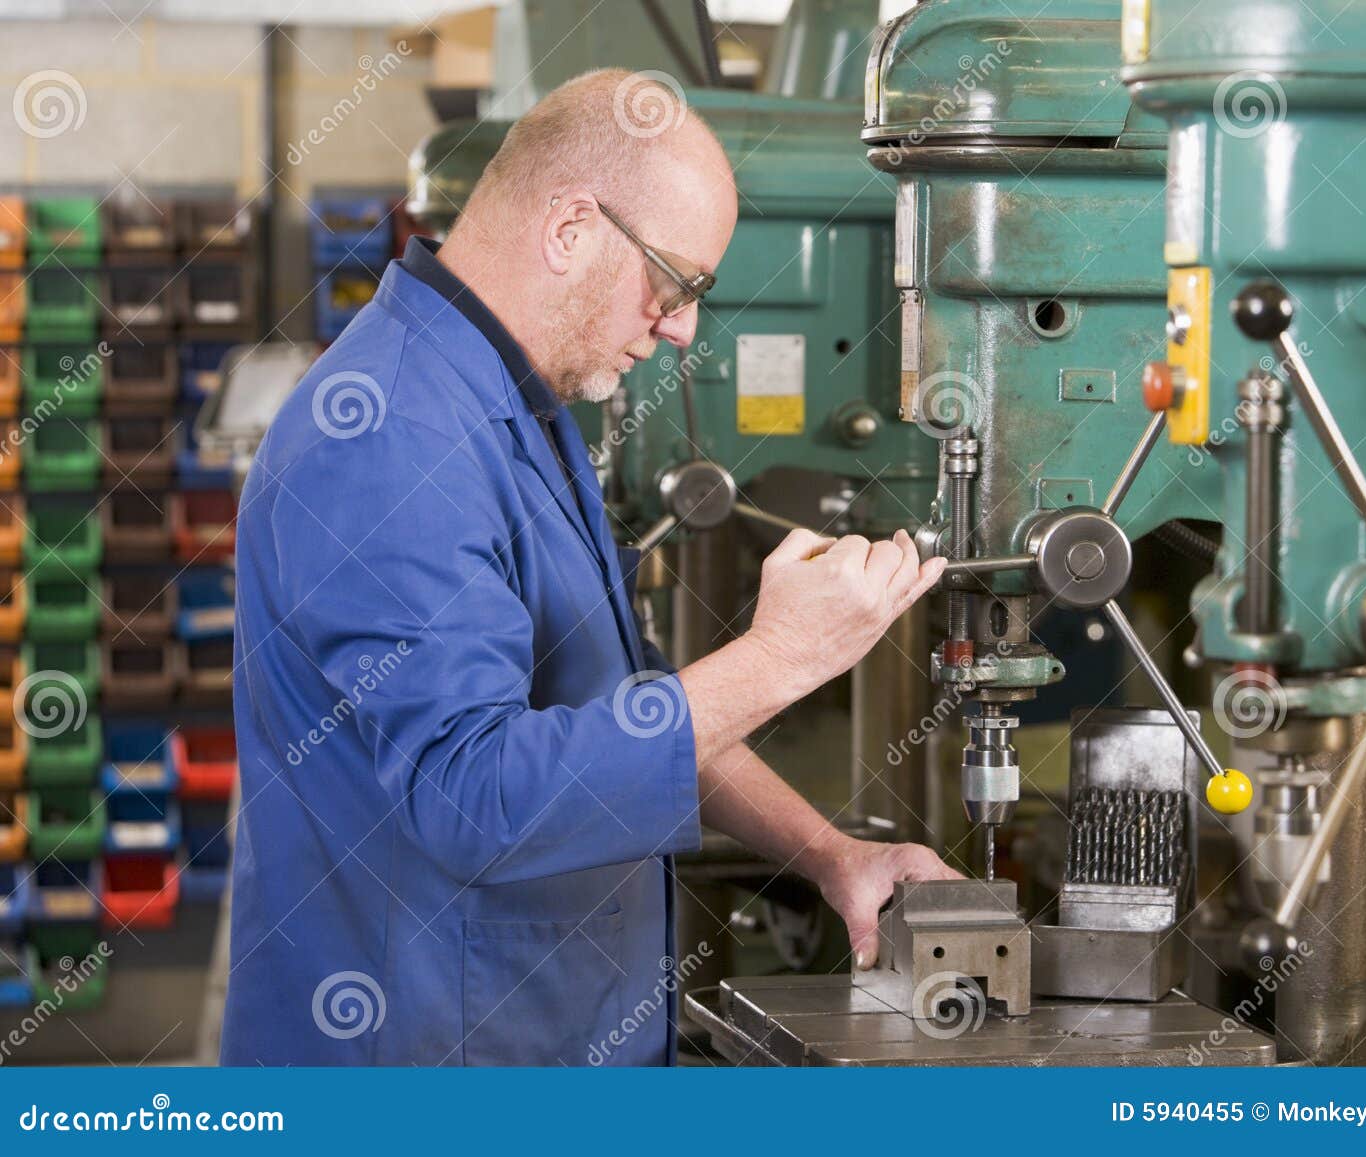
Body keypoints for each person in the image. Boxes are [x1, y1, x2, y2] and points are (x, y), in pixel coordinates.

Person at [221, 68, 957, 1066]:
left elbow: (630, 711)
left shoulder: (516, 407)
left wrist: (836, 858)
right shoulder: (388, 438)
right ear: (569, 227)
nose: (684, 324)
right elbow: (472, 797)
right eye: (673, 280)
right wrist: (778, 658)